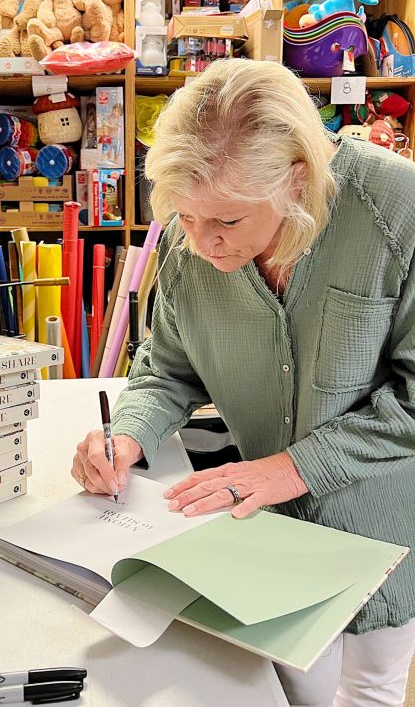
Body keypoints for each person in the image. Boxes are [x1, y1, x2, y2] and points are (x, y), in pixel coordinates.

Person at [71, 59, 415, 707]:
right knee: (291, 689)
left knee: (371, 683)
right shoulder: (191, 236)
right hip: (271, 538)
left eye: (225, 222)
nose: (199, 242)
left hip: (388, 522)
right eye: (184, 215)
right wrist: (127, 434)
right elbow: (167, 368)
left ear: (297, 181)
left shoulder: (400, 209)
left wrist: (293, 466)